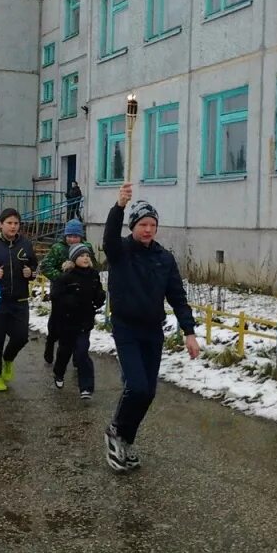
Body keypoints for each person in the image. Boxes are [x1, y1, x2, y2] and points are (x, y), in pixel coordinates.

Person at [102, 184, 199, 473]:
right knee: (137, 386)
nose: (148, 230)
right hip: (126, 328)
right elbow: (108, 238)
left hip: (152, 331)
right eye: (143, 224)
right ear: (133, 226)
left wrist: (189, 332)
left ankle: (126, 440)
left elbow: (177, 296)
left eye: (152, 225)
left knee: (149, 392)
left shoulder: (163, 258)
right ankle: (115, 431)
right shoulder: (121, 252)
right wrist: (119, 206)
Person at [0, 208, 38, 392]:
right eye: (9, 223)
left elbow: (33, 265)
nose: (13, 226)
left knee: (21, 337)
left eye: (16, 223)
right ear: (1, 225)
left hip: (19, 300)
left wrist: (31, 273)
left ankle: (8, 358)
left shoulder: (26, 244)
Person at [50, 243, 105, 399]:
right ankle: (58, 373)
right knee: (65, 351)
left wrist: (100, 297)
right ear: (74, 259)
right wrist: (68, 300)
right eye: (81, 256)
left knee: (82, 352)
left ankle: (86, 387)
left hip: (84, 321)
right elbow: (55, 295)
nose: (85, 258)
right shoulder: (67, 276)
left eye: (87, 255)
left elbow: (97, 291)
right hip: (67, 322)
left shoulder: (94, 274)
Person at [39, 219, 89, 365]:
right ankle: (50, 343)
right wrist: (61, 278)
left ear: (81, 236)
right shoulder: (58, 248)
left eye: (75, 236)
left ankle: (76, 354)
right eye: (69, 236)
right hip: (60, 293)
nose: (72, 239)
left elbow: (90, 265)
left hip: (79, 293)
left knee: (78, 323)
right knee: (57, 321)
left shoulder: (86, 248)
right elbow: (46, 266)